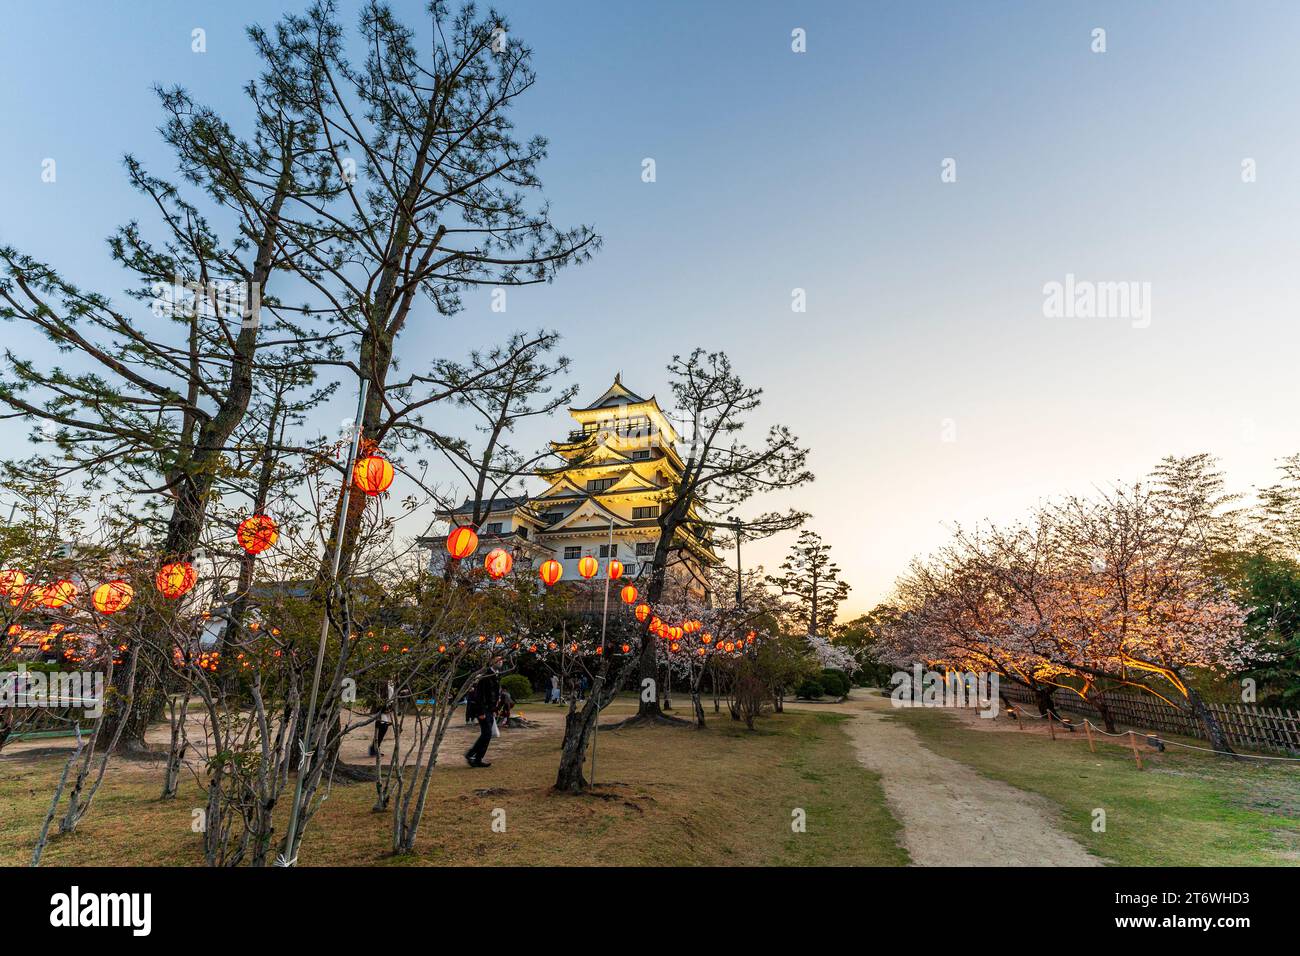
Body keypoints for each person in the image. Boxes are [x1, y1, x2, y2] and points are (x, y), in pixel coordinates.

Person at [464, 655, 503, 768]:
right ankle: (472, 755)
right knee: (487, 734)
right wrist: (480, 712)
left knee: (487, 734)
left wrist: (495, 709)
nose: (500, 662)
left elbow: (494, 694)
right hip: (483, 709)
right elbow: (479, 695)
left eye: (501, 660)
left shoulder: (495, 675)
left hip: (490, 709)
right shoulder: (485, 676)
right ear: (492, 661)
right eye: (498, 660)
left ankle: (476, 758)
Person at [369, 680, 395, 757]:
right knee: (383, 727)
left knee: (383, 727)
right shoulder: (384, 684)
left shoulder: (391, 684)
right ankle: (374, 749)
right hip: (381, 709)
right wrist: (383, 708)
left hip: (385, 708)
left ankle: (374, 748)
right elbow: (381, 697)